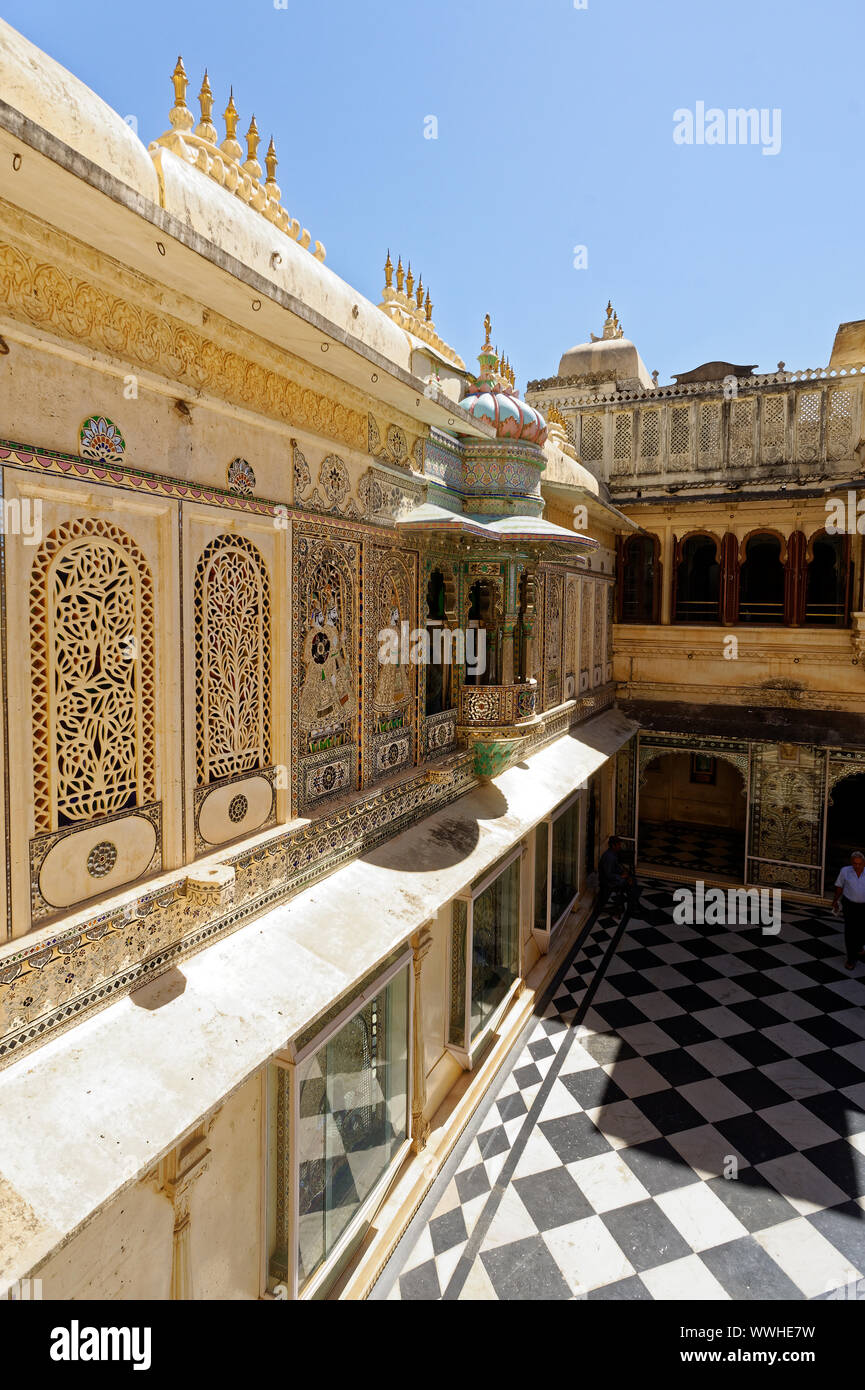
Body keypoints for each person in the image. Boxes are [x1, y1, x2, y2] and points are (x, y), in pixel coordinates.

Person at [832, 850, 865, 970]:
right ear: (851, 862)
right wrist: (835, 901)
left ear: (864, 863)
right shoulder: (845, 871)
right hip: (850, 905)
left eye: (860, 863)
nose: (857, 866)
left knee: (862, 929)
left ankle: (860, 946)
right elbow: (839, 886)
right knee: (850, 932)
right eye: (855, 863)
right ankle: (851, 958)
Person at [598, 835, 639, 917]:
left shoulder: (613, 853)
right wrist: (622, 877)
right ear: (613, 845)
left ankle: (633, 904)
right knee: (629, 884)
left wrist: (624, 872)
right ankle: (632, 907)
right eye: (618, 845)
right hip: (608, 881)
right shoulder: (609, 857)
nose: (620, 846)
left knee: (632, 881)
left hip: (613, 877)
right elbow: (608, 874)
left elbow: (617, 867)